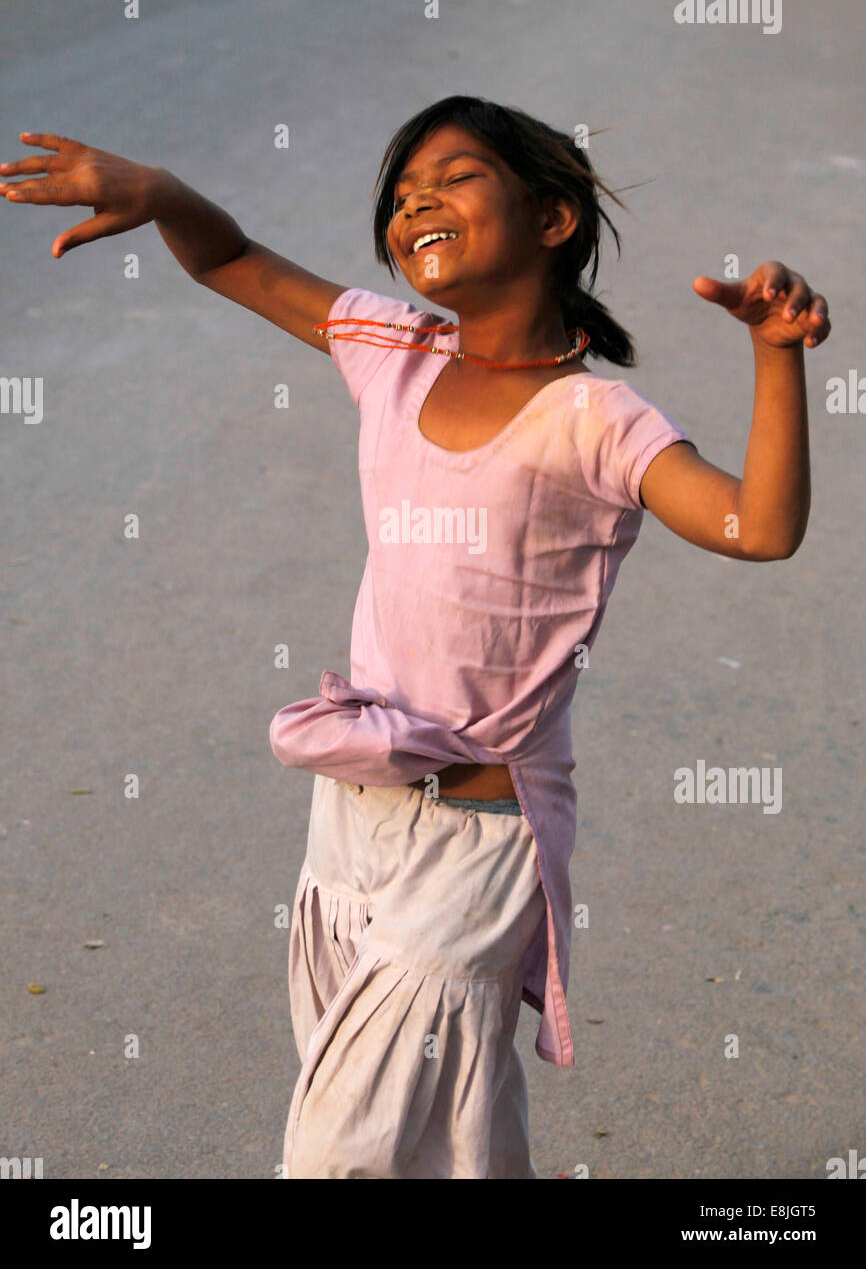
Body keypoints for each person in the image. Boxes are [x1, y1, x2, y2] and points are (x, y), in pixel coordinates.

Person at [0, 97, 831, 1179]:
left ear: (551, 218)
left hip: (475, 851)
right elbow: (235, 260)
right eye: (399, 194)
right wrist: (161, 192)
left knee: (341, 1150)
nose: (414, 204)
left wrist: (776, 357)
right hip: (346, 826)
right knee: (448, 1136)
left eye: (451, 177)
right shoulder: (390, 347)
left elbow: (755, 527)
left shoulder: (597, 419)